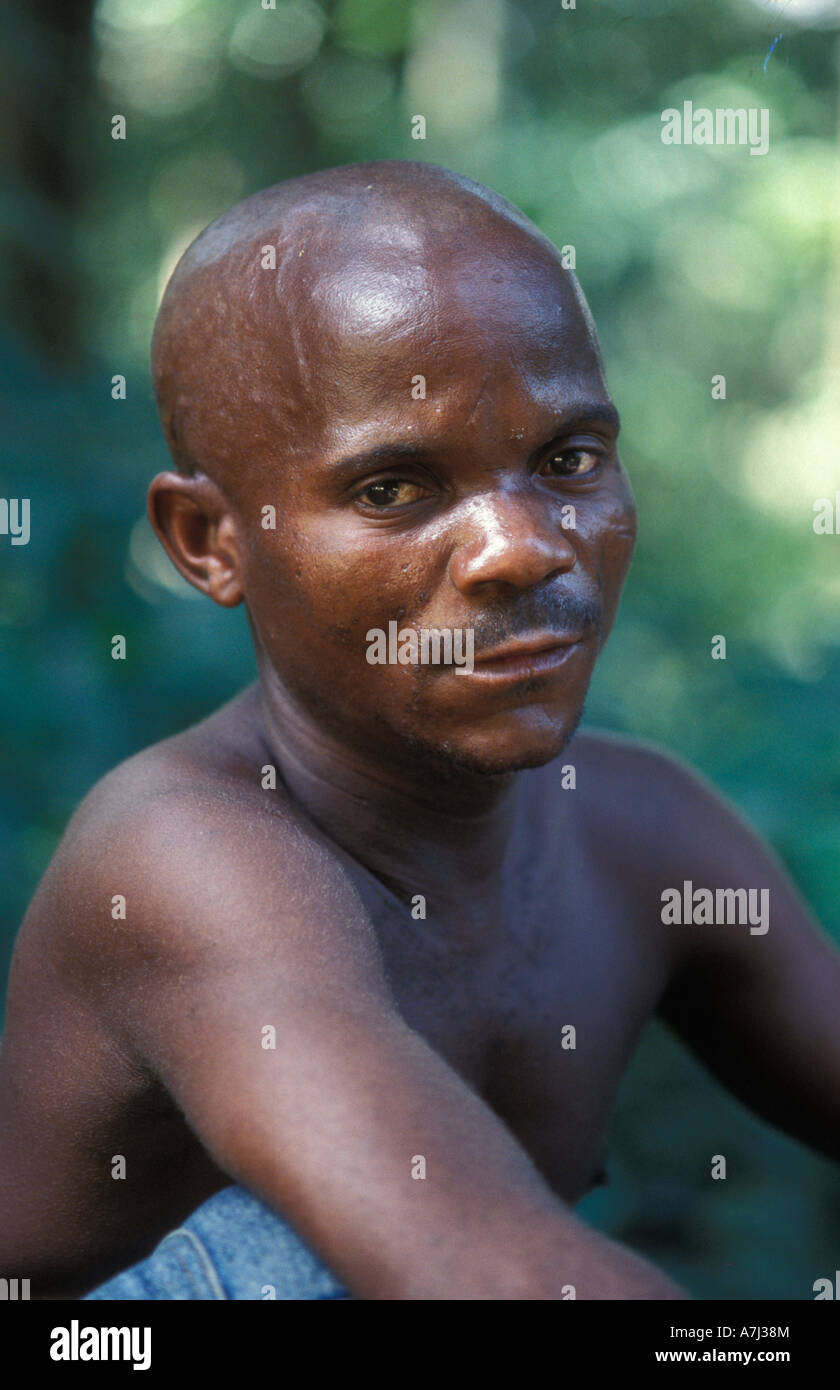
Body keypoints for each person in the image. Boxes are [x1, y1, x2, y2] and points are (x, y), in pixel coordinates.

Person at [1, 161, 837, 1301]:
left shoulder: (645, 832)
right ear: (209, 541)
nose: (522, 547)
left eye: (568, 461)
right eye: (395, 489)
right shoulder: (181, 857)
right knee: (293, 1254)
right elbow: (494, 1278)